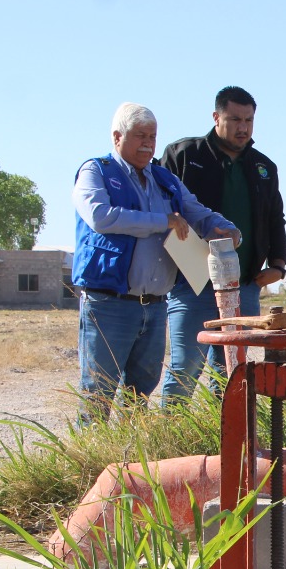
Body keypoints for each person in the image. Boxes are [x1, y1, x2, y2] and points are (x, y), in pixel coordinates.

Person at [71, 102, 238, 424]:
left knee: (140, 391)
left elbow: (195, 211)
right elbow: (100, 216)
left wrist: (224, 227)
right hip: (108, 303)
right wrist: (163, 220)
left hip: (156, 304)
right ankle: (90, 466)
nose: (148, 144)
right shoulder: (96, 171)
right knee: (98, 392)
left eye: (153, 136)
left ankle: (131, 460)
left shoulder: (164, 179)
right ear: (117, 136)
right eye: (140, 136)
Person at [159, 86, 286, 402]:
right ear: (216, 117)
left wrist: (278, 266)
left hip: (244, 285)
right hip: (193, 283)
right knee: (185, 368)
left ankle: (230, 443)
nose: (243, 127)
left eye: (249, 120)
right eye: (234, 119)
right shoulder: (184, 155)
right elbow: (161, 207)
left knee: (234, 373)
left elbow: (275, 218)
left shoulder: (263, 167)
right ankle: (171, 443)